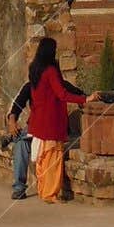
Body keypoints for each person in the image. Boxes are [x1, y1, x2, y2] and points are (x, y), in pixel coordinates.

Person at [6, 60, 87, 202]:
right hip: (36, 132)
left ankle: (13, 138)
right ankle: (19, 188)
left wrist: (87, 101)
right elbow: (16, 107)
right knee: (21, 145)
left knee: (21, 139)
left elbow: (81, 96)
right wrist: (12, 121)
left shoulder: (62, 87)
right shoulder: (30, 87)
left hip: (54, 133)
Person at [26, 37, 90, 204]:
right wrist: (85, 100)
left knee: (42, 157)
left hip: (38, 118)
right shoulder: (50, 71)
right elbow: (61, 94)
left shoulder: (34, 69)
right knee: (53, 158)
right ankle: (50, 193)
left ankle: (43, 190)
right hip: (51, 120)